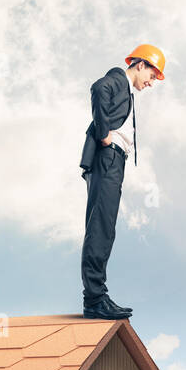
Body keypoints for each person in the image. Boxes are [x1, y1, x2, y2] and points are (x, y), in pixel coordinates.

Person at [79, 43, 165, 319]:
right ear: (141, 65)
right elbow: (97, 87)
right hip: (107, 157)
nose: (151, 83)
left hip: (114, 161)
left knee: (106, 227)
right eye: (152, 76)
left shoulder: (126, 90)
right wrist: (104, 132)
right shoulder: (117, 79)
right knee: (101, 227)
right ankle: (94, 300)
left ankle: (98, 296)